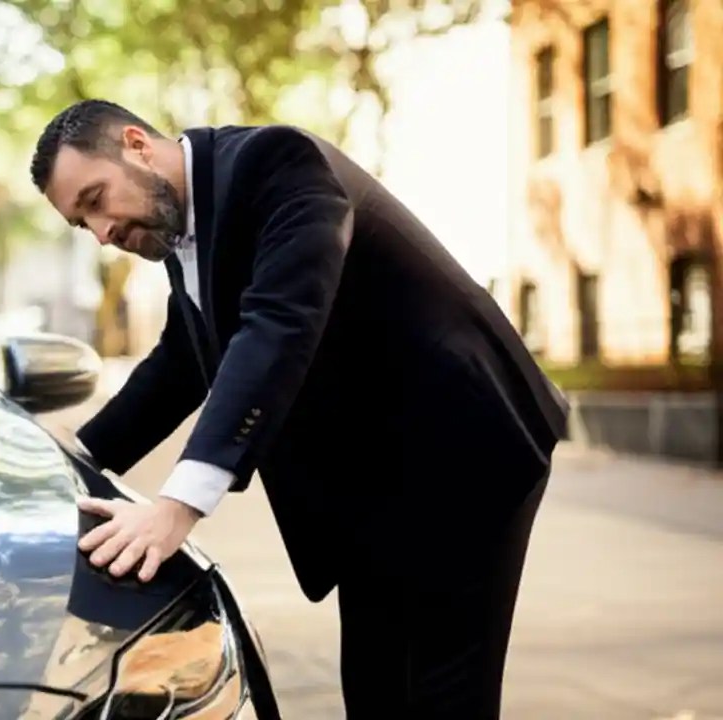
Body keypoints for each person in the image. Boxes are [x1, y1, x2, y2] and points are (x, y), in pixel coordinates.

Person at [28, 99, 570, 718]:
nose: (102, 234)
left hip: (464, 447)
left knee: (443, 697)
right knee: (376, 691)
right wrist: (67, 461)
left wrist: (177, 507)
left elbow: (280, 325)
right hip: (375, 476)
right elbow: (181, 362)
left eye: (96, 199)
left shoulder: (278, 164)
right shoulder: (181, 228)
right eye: (82, 223)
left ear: (136, 145)